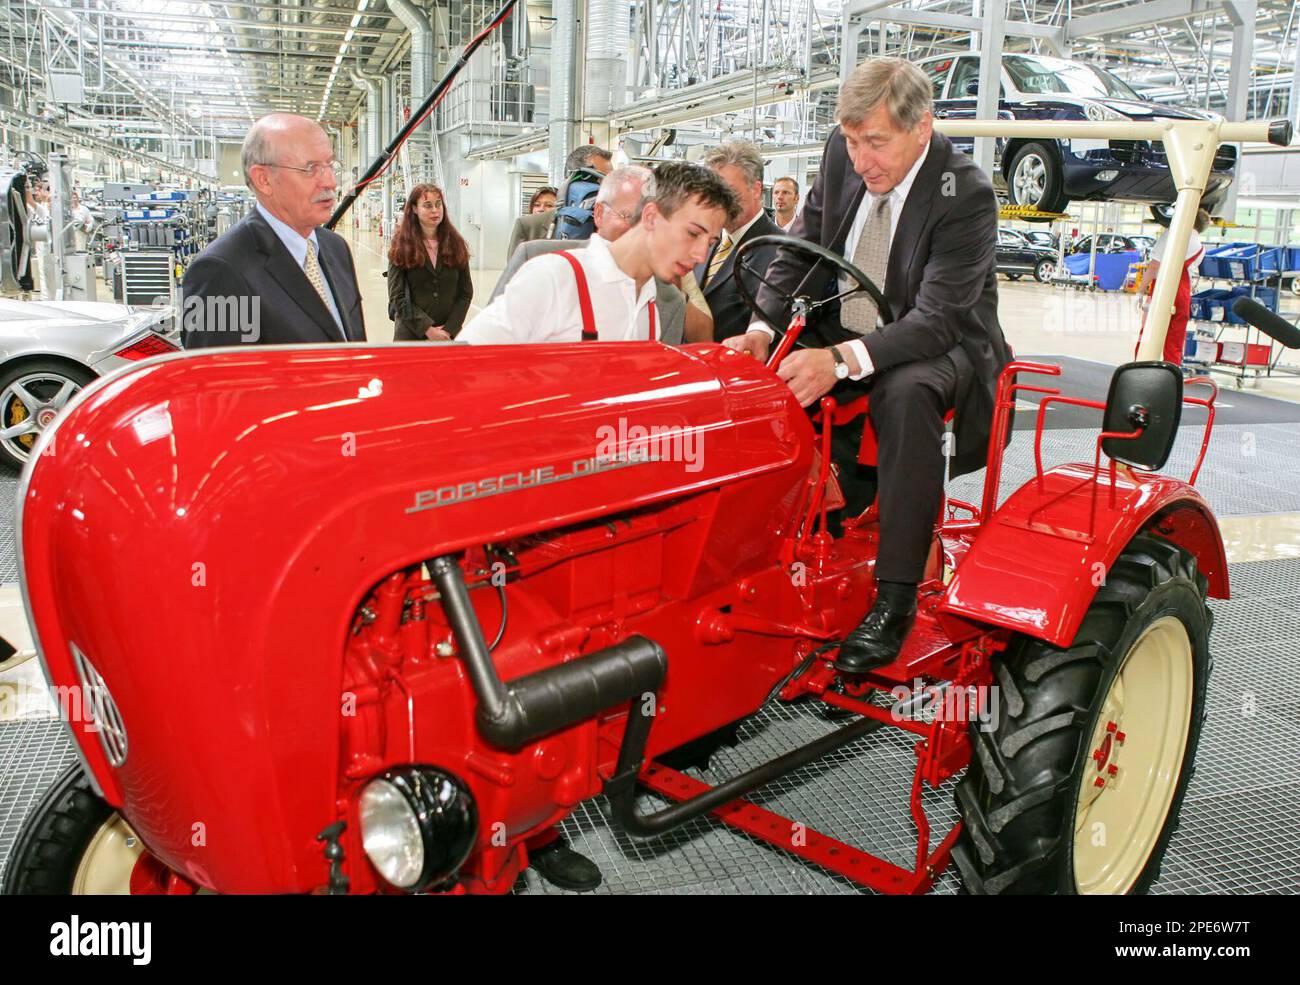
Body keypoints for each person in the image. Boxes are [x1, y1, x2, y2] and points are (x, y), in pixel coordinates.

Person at [726, 57, 1011, 673]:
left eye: (876, 143)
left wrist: (839, 360)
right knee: (749, 376)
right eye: (852, 142)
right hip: (848, 327)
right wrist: (759, 329)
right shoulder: (840, 154)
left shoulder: (966, 195)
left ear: (923, 127)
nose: (860, 161)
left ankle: (896, 595)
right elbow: (801, 253)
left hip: (944, 344)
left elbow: (937, 319)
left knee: (906, 391)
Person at [461, 161, 737, 345]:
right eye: (692, 233)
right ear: (651, 217)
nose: (701, 255)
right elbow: (461, 364)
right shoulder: (554, 278)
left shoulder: (662, 304)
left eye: (711, 242)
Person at [182, 113, 364, 347]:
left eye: (330, 165)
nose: (330, 182)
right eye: (311, 168)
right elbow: (214, 379)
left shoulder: (335, 248)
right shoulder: (220, 271)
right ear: (263, 179)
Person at [698, 141, 783, 341]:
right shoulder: (704, 242)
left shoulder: (782, 251)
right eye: (712, 192)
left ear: (756, 189)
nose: (718, 202)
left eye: (728, 192)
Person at [387, 184, 473, 340]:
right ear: (414, 209)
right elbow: (397, 296)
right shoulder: (401, 245)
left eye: (438, 204)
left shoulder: (455, 243)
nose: (435, 210)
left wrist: (449, 329)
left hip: (448, 334)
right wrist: (428, 329)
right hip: (410, 335)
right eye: (427, 206)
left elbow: (465, 292)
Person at [505, 146, 613, 257]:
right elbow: (515, 273)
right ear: (572, 179)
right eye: (599, 180)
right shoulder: (529, 227)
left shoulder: (614, 226)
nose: (608, 188)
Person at [1138, 208, 1210, 366]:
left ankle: (1140, 372)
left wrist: (1141, 290)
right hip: (1183, 293)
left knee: (1149, 336)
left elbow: (1154, 266)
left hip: (1163, 289)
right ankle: (1171, 379)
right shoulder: (1200, 247)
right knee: (1175, 341)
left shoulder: (1173, 233)